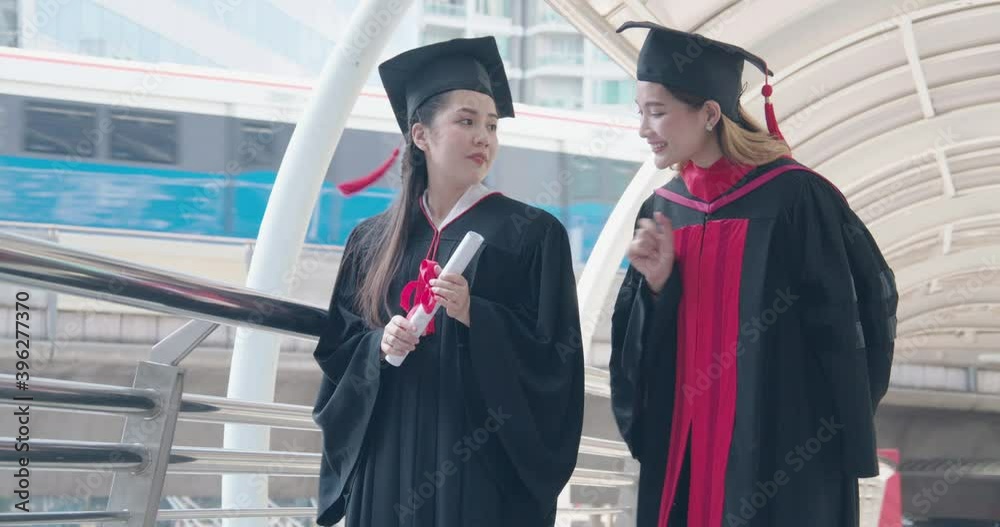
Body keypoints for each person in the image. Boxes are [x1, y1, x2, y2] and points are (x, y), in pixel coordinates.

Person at [608, 21, 898, 527]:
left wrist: (826, 427)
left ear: (709, 113)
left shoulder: (798, 198)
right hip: (687, 448)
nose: (643, 128)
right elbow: (639, 352)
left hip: (780, 452)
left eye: (656, 112)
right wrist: (657, 289)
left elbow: (863, 310)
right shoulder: (663, 208)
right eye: (640, 113)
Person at [311, 36, 585, 527]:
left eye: (491, 125)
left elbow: (556, 359)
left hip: (479, 461)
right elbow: (337, 350)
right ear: (421, 135)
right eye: (466, 121)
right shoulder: (371, 240)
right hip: (388, 458)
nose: (484, 137)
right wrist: (377, 345)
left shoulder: (532, 234)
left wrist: (477, 315)